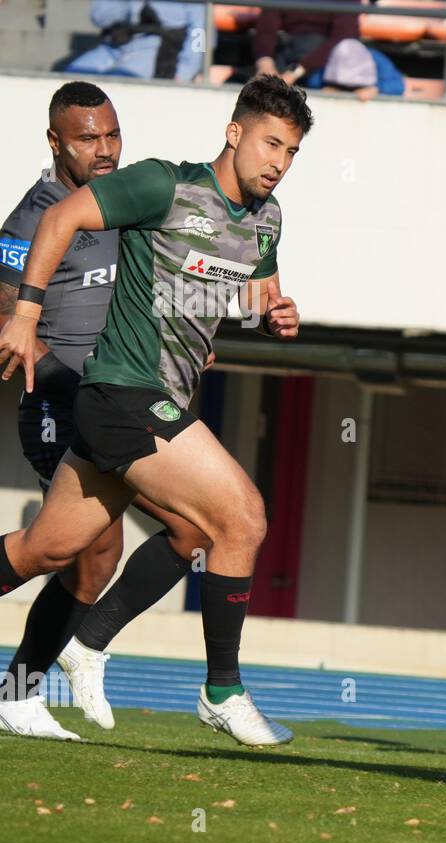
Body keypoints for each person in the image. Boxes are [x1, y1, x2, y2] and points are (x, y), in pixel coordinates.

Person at [0, 76, 311, 747]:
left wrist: (274, 319)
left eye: (290, 151)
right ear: (235, 134)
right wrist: (24, 316)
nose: (278, 162)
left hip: (146, 400)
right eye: (270, 143)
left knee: (43, 549)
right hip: (122, 396)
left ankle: (68, 657)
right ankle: (221, 690)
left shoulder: (266, 221)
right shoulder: (163, 186)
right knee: (244, 517)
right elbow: (60, 218)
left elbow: (254, 301)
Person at [0, 81, 212, 741]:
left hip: (121, 405)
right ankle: (30, 685)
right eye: (88, 138)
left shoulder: (124, 207)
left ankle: (35, 680)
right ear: (55, 141)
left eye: (112, 135)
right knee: (81, 547)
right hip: (59, 406)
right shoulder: (32, 219)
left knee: (127, 547)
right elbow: (7, 317)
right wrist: (28, 334)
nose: (105, 150)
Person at [63, 0, 205, 83]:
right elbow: (99, 18)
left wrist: (186, 70)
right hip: (115, 45)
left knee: (117, 80)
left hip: (157, 49)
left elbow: (201, 29)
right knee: (70, 77)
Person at [253, 0, 359, 89]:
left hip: (320, 63)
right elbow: (266, 27)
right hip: (286, 52)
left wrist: (295, 72)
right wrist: (265, 62)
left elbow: (340, 38)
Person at [304, 38, 406, 101]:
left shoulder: (377, 60)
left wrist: (377, 89)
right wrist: (326, 89)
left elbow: (398, 85)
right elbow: (314, 81)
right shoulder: (331, 57)